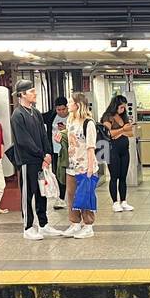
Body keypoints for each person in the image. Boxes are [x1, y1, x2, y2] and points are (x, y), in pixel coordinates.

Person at [10, 80, 59, 241]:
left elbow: (43, 135)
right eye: (31, 91)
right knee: (27, 194)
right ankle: (28, 227)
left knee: (41, 192)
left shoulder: (36, 112)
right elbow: (24, 140)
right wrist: (41, 154)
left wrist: (48, 153)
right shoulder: (17, 115)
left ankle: (43, 225)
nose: (35, 93)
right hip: (27, 161)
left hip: (40, 160)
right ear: (22, 94)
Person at [62, 92, 98, 237]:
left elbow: (90, 147)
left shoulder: (88, 123)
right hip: (72, 165)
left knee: (85, 195)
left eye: (70, 102)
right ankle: (75, 223)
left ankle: (88, 225)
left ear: (78, 105)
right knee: (71, 195)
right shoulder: (70, 121)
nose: (67, 105)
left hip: (85, 166)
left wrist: (90, 169)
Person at [104, 95, 134, 212]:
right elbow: (109, 134)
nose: (123, 109)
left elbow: (130, 133)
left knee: (123, 176)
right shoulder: (108, 117)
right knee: (114, 176)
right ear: (115, 106)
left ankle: (124, 201)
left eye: (124, 107)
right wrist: (122, 130)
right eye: (121, 107)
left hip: (124, 149)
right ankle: (115, 202)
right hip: (112, 150)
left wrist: (123, 131)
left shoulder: (124, 117)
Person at [43, 96, 70, 209]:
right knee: (58, 174)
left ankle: (70, 197)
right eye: (59, 110)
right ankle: (61, 198)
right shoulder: (51, 116)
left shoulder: (72, 117)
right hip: (54, 150)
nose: (61, 112)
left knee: (68, 174)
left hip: (68, 151)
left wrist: (66, 128)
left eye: (63, 109)